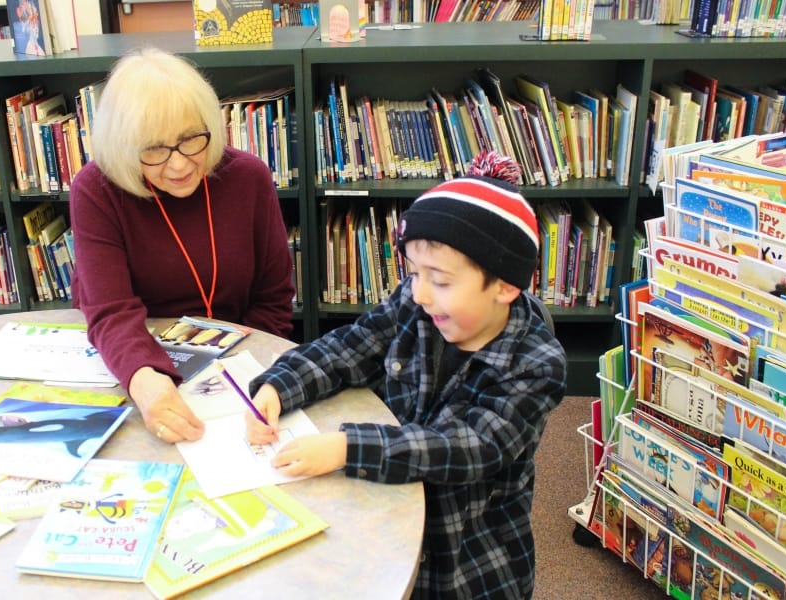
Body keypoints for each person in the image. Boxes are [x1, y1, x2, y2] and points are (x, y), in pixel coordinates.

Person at [245, 154, 567, 599]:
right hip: (388, 512)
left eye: (440, 280)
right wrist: (279, 386)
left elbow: (469, 447)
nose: (419, 292)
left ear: (506, 287)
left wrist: (348, 446)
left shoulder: (536, 365)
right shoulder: (418, 304)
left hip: (468, 562)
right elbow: (350, 347)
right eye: (414, 273)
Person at [69, 48, 296, 446]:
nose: (179, 165)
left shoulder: (248, 179)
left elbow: (273, 299)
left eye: (191, 139)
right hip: (132, 367)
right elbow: (110, 311)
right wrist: (143, 380)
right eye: (154, 149)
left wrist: (242, 375)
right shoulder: (96, 190)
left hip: (234, 371)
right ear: (123, 146)